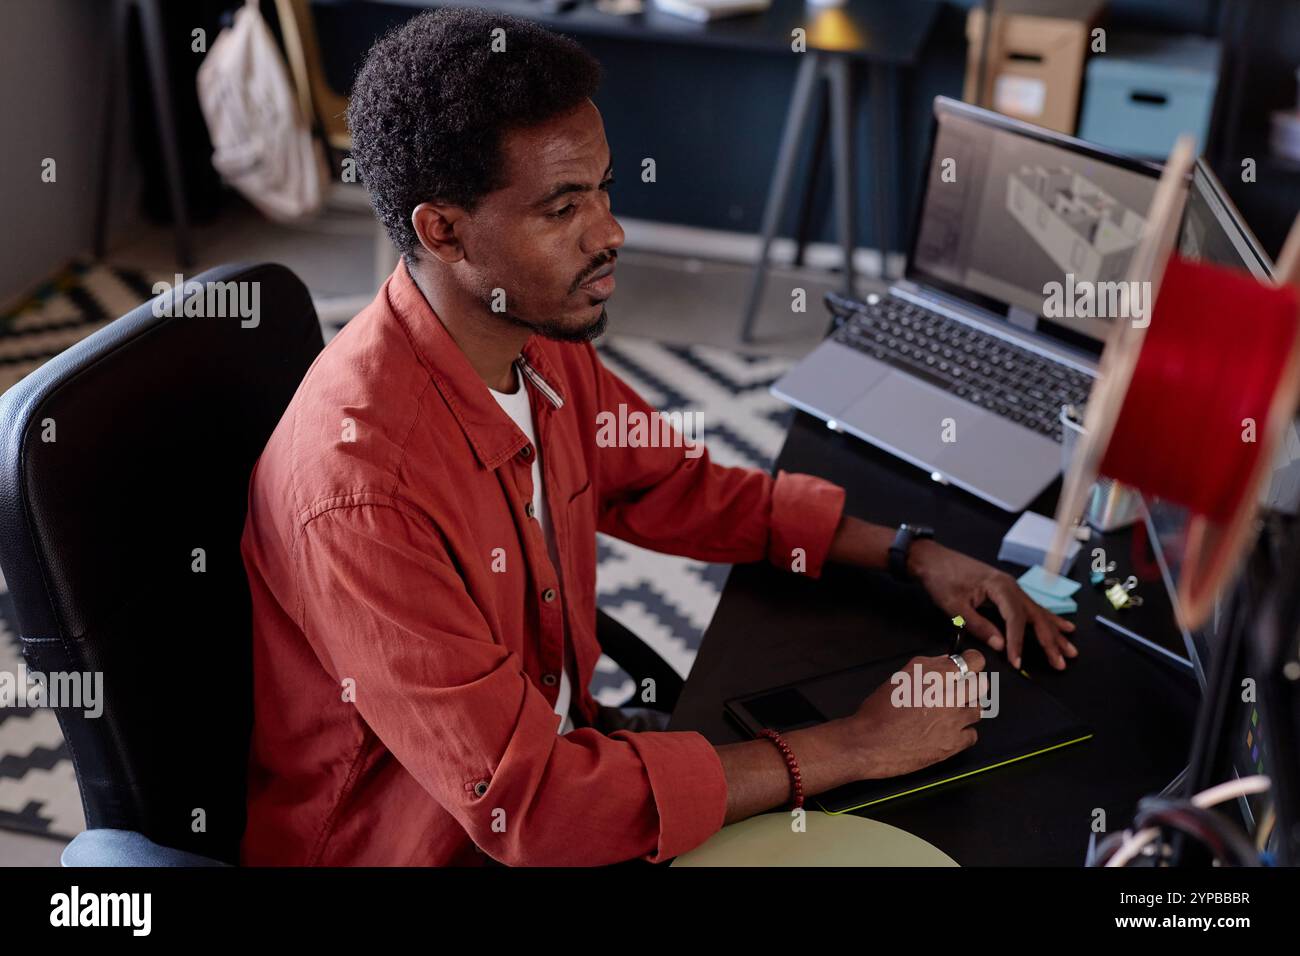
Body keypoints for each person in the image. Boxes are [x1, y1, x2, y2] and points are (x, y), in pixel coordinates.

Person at [240, 8, 1076, 866]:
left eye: (603, 189)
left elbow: (670, 484)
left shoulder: (531, 341)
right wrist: (857, 747)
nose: (609, 233)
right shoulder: (363, 493)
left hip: (562, 760)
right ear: (442, 230)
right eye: (562, 207)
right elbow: (533, 811)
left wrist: (909, 553)